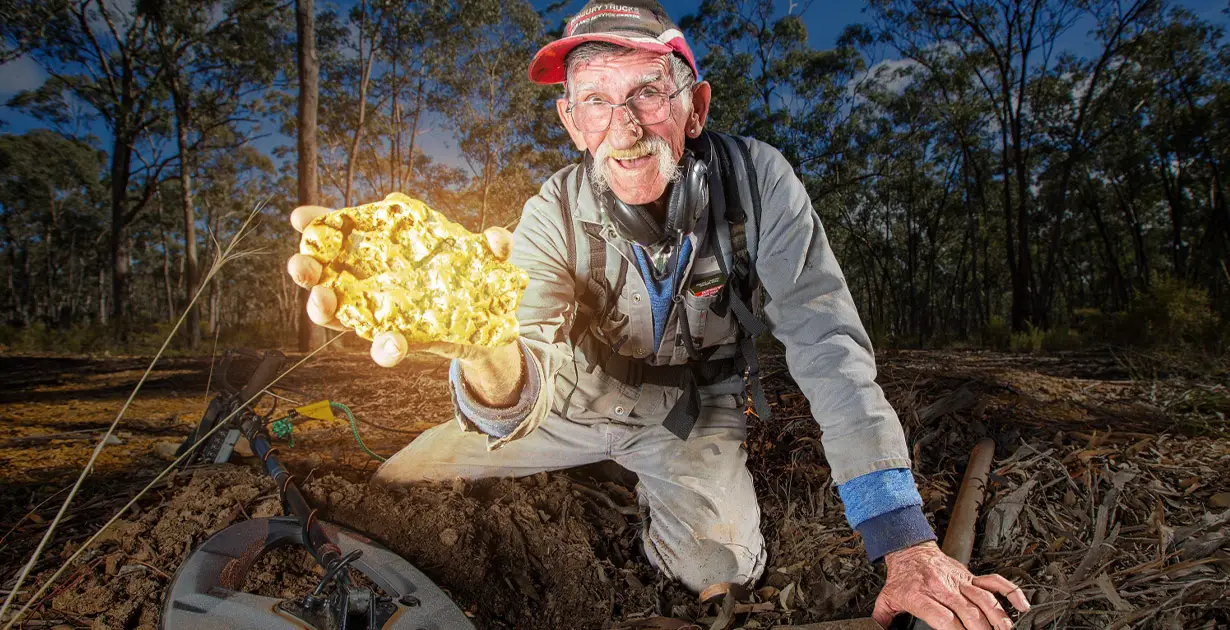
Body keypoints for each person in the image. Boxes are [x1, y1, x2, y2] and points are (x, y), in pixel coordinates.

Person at [287, 1, 1030, 627]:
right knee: (394, 485)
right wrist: (481, 344)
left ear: (694, 107)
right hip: (572, 397)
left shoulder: (758, 182)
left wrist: (903, 542)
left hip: (693, 408)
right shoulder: (553, 212)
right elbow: (528, 357)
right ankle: (592, 464)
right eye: (597, 102)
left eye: (648, 93)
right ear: (571, 122)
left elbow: (827, 343)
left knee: (723, 563)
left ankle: (652, 490)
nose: (626, 125)